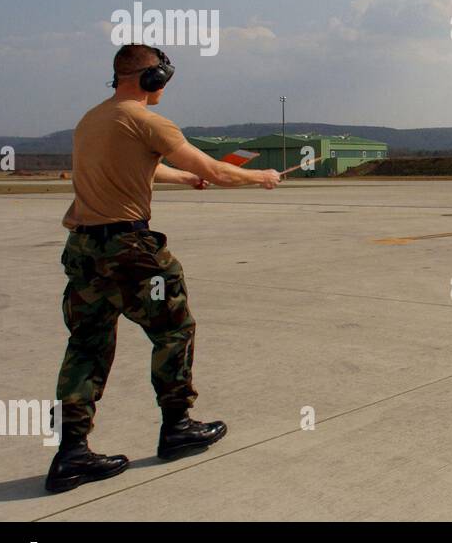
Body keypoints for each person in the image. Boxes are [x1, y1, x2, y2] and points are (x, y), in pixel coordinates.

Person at [46, 44, 281, 493]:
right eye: (163, 76)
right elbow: (217, 168)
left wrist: (185, 178)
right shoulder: (148, 120)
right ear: (149, 79)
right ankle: (177, 426)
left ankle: (71, 454)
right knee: (174, 329)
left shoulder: (91, 121)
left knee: (87, 346)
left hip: (83, 248)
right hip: (130, 249)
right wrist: (260, 177)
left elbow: (141, 170)